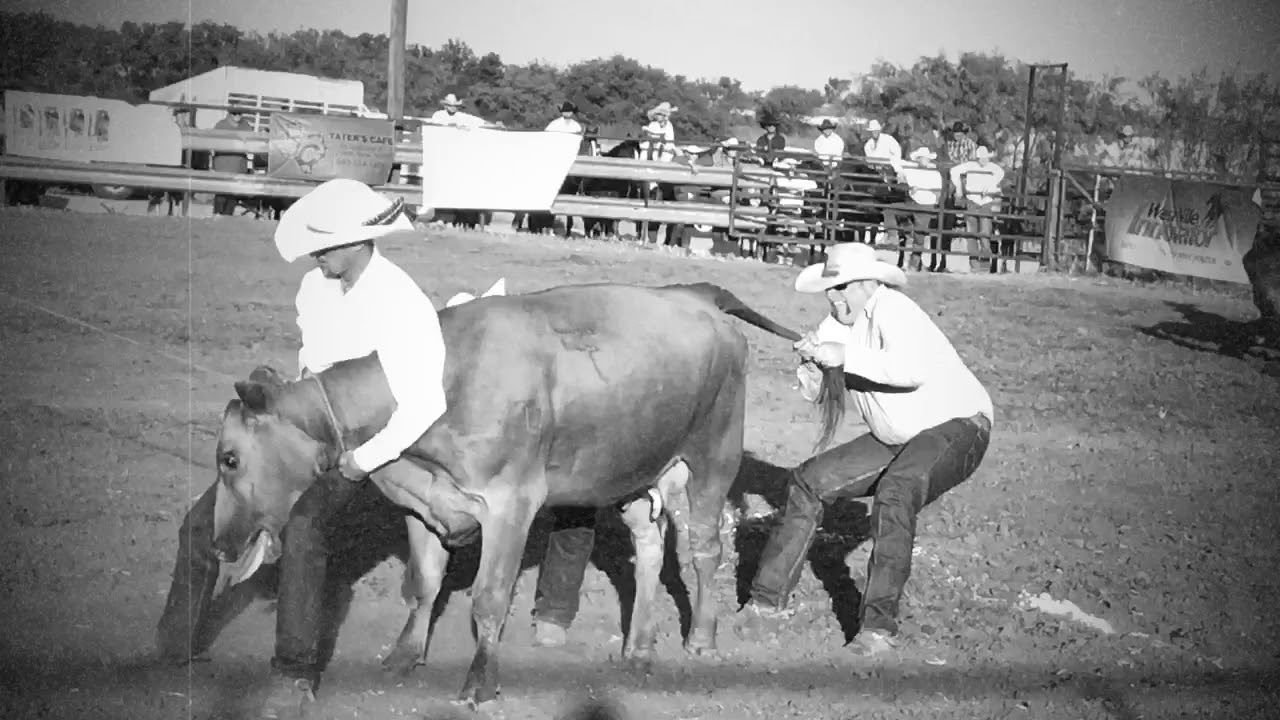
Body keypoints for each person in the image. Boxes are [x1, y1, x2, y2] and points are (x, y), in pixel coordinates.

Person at [741, 241, 993, 657]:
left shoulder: (896, 310)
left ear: (867, 284)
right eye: (830, 289)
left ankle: (878, 628)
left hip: (958, 425)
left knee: (897, 490)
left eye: (842, 287)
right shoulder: (833, 326)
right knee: (808, 482)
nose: (834, 297)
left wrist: (843, 355)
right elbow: (817, 393)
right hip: (898, 435)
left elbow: (911, 370)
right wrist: (812, 366)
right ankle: (766, 600)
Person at [263, 178, 451, 715]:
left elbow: (425, 404)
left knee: (305, 524)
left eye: (324, 245)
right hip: (319, 426)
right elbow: (311, 361)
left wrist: (360, 462)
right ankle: (175, 642)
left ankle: (293, 674)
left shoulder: (401, 301)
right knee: (231, 497)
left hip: (380, 443)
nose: (316, 255)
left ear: (356, 242)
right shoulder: (313, 287)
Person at [949, 145, 1006, 272]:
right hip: (973, 201)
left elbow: (1000, 174)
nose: (984, 160)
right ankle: (974, 265)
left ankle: (984, 263)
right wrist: (959, 186)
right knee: (972, 235)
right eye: (982, 158)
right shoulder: (971, 166)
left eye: (985, 158)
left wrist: (990, 187)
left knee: (985, 234)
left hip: (985, 202)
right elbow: (954, 171)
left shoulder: (993, 168)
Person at [893, 147, 944, 272]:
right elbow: (895, 161)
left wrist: (934, 201)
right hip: (914, 201)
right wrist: (901, 173)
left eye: (926, 158)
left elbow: (937, 192)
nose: (925, 160)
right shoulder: (912, 169)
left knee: (919, 236)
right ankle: (912, 259)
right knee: (903, 218)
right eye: (922, 158)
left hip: (926, 203)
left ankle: (914, 263)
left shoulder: (934, 173)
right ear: (918, 159)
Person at [211, 110, 253, 216]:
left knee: (232, 196)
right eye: (234, 113)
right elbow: (214, 143)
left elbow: (250, 143)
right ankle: (217, 216)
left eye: (240, 113)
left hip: (238, 166)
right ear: (229, 113)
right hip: (222, 165)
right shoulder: (221, 125)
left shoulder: (246, 125)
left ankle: (227, 218)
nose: (237, 115)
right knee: (221, 194)